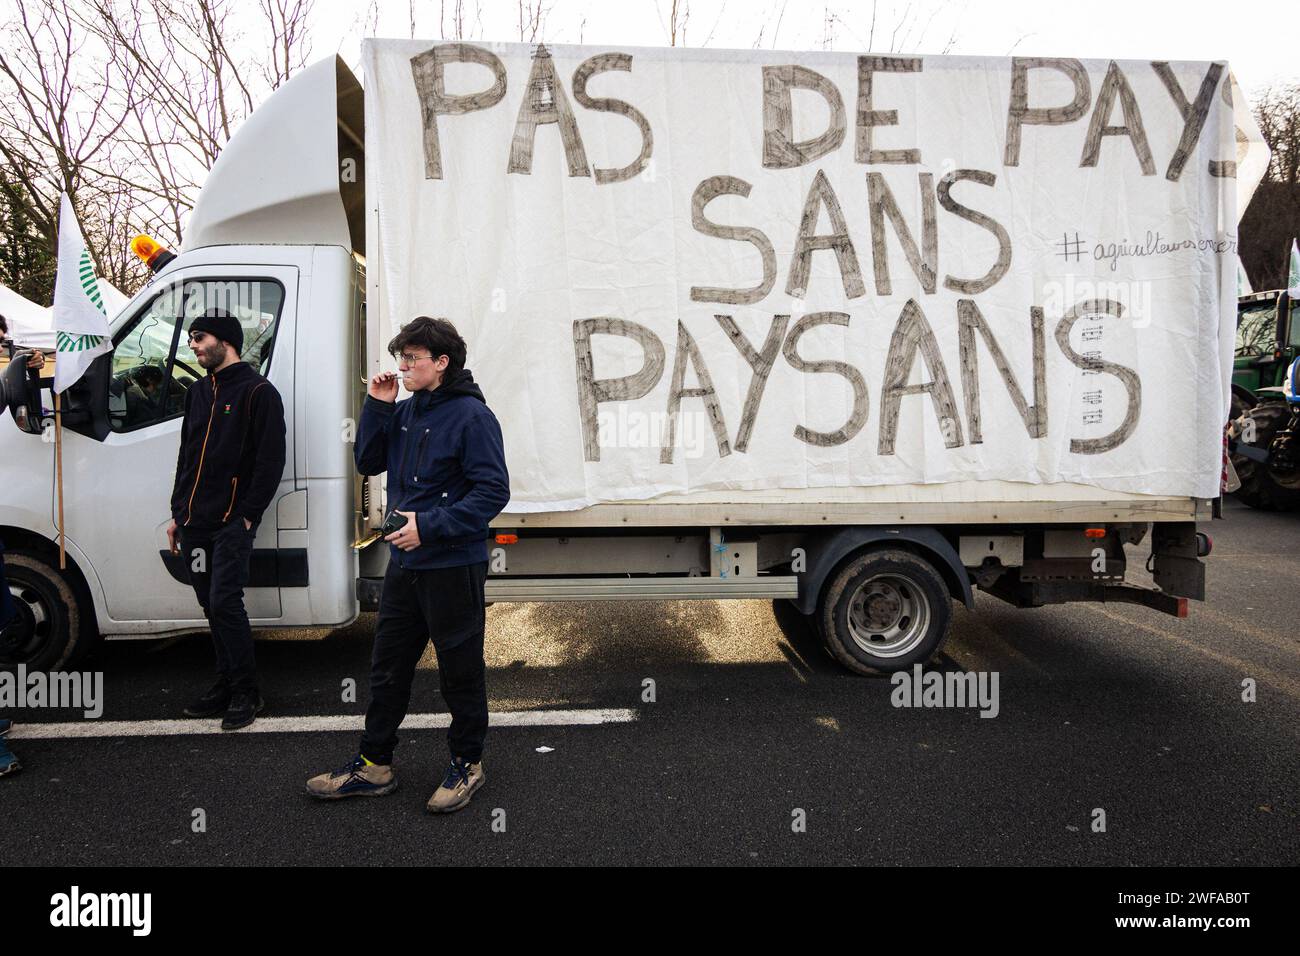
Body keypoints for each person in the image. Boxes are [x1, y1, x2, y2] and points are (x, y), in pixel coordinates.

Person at [306, 316, 509, 813]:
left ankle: (468, 764)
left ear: (441, 363)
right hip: (405, 565)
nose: (402, 365)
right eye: (401, 356)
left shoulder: (472, 417)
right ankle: (374, 765)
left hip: (452, 565)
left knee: (458, 670)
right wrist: (377, 405)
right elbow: (368, 461)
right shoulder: (403, 410)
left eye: (413, 358)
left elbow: (493, 492)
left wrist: (431, 526)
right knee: (388, 668)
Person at [167, 309, 286, 730]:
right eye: (193, 340)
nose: (194, 346)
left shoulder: (259, 392)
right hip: (194, 522)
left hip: (232, 523)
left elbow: (271, 462)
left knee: (224, 602)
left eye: (199, 338)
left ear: (225, 341)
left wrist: (248, 517)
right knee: (209, 605)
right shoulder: (198, 392)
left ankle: (245, 692)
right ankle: (224, 682)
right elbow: (187, 456)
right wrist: (178, 512)